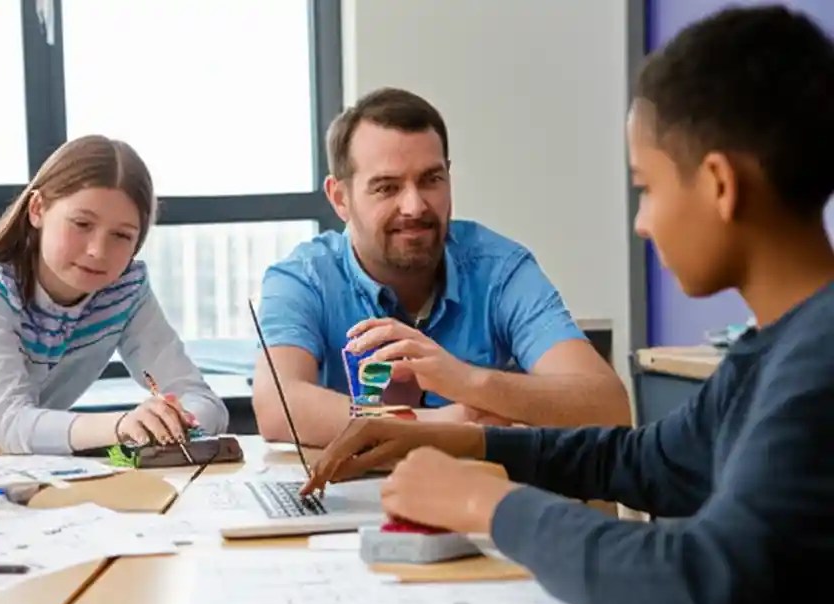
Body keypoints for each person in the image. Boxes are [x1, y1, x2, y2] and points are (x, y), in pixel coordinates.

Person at [305, 7, 834, 604]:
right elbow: (649, 461)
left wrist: (480, 502)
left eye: (646, 187)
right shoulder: (775, 348)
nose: (642, 221)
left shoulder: (818, 365)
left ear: (718, 184)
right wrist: (459, 440)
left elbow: (701, 582)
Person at [253, 87, 631, 447]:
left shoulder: (499, 270)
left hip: (475, 505)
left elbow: (608, 406)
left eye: (431, 180)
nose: (415, 206)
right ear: (340, 198)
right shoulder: (303, 278)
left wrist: (467, 381)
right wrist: (432, 426)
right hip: (347, 509)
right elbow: (277, 405)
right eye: (386, 187)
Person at [0, 135, 228, 454]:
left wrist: (173, 420)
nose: (98, 250)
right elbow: (11, 422)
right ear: (37, 209)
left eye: (122, 236)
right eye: (82, 224)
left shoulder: (125, 289)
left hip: (6, 464)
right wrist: (124, 425)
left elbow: (203, 400)